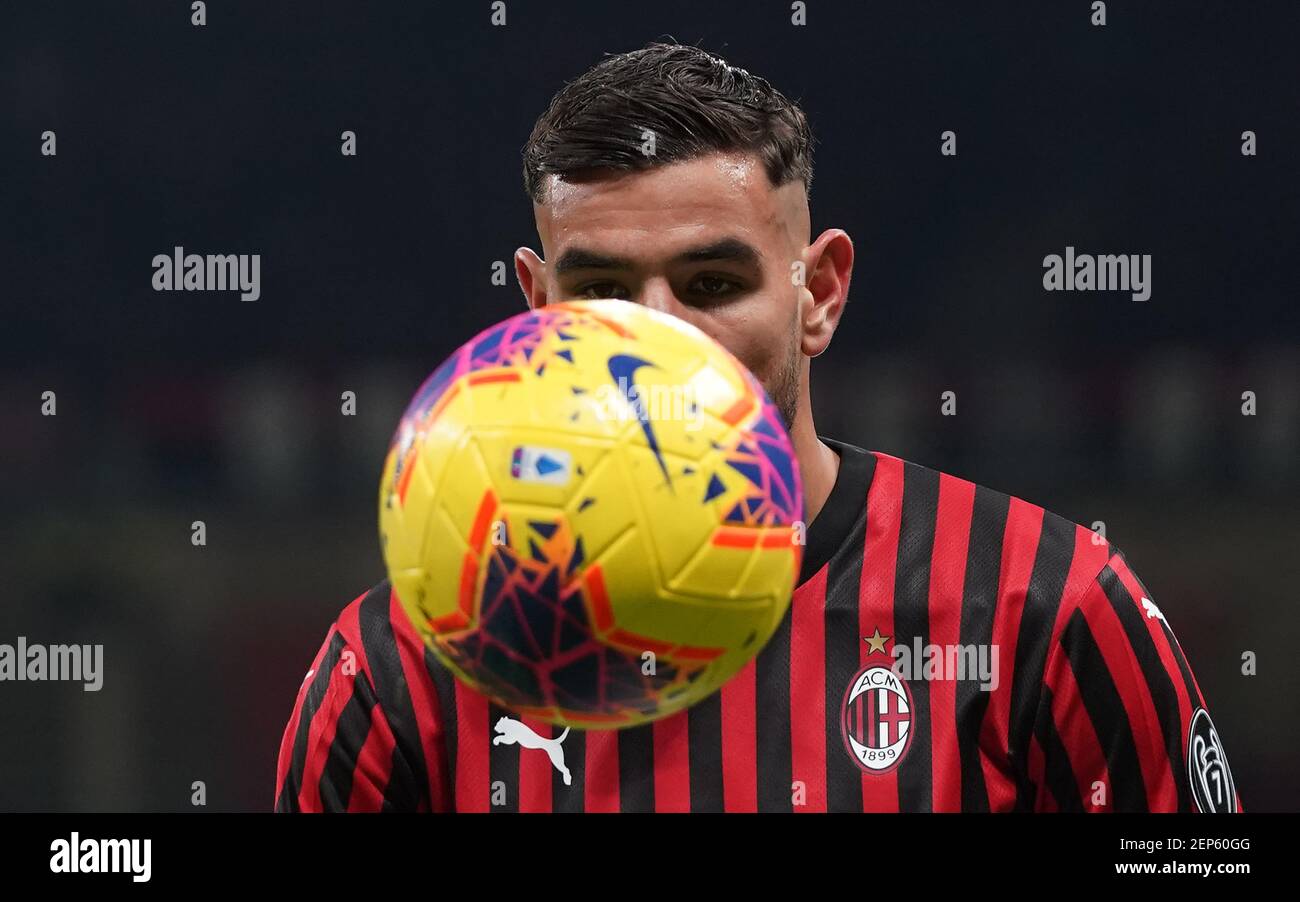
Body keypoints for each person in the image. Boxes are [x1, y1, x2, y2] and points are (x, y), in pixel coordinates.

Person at [275, 42, 1238, 813]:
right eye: (602, 289)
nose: (658, 338)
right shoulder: (400, 666)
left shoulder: (1046, 605)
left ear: (817, 293)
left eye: (712, 284)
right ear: (535, 311)